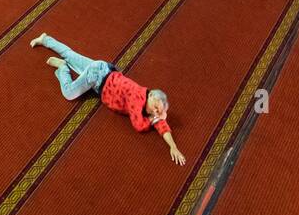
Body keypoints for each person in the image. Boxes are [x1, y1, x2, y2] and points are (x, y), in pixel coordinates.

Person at [29, 34, 185, 165]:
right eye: (156, 107)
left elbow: (161, 124)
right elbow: (139, 125)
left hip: (102, 68)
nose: (156, 111)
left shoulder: (148, 99)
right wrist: (154, 118)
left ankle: (45, 39)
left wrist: (173, 146)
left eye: (158, 110)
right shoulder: (137, 99)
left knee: (71, 55)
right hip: (96, 78)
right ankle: (62, 68)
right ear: (151, 96)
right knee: (69, 93)